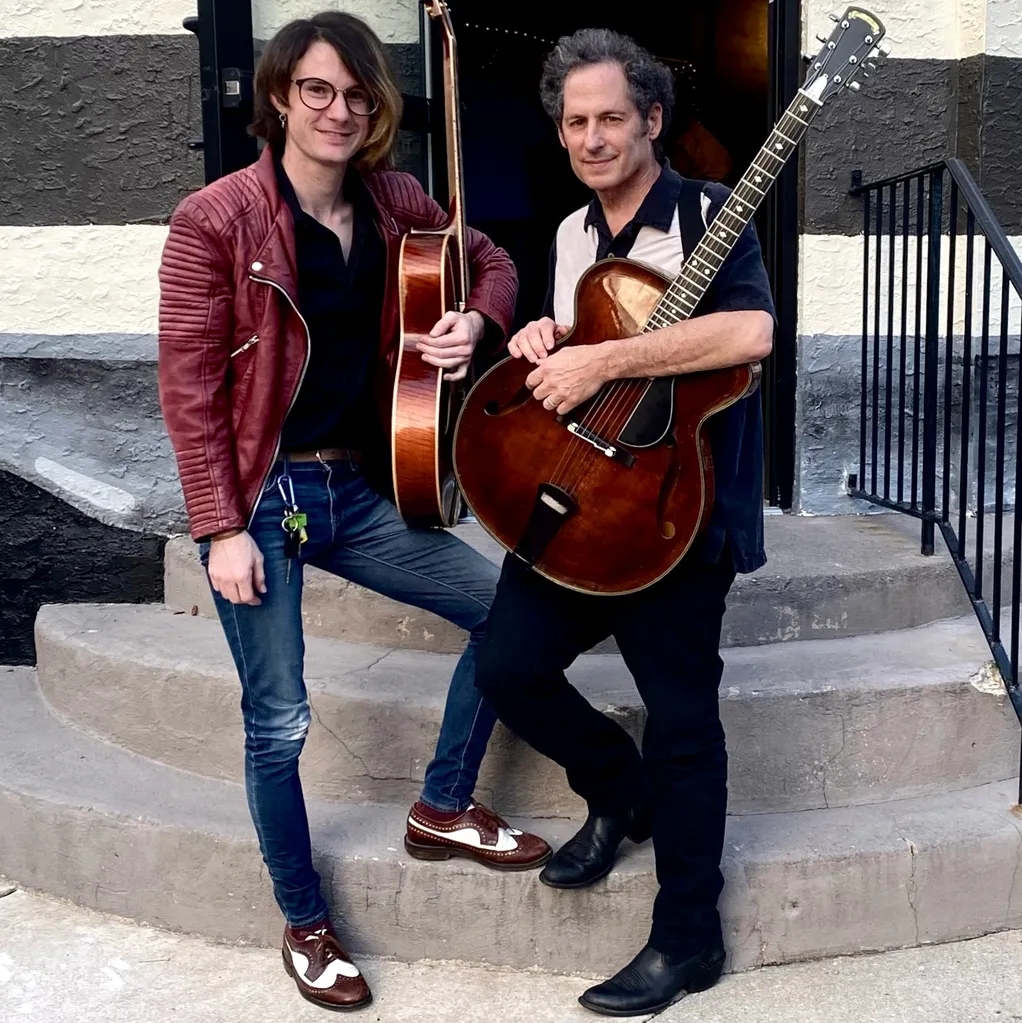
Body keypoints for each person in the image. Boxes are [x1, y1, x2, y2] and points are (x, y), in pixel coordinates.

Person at [157, 11, 550, 1013]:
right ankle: (305, 920)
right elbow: (191, 387)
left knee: (513, 614)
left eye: (359, 96)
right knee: (277, 718)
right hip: (273, 504)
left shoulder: (393, 201)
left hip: (367, 485)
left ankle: (442, 804)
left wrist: (476, 316)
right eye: (319, 91)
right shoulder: (217, 219)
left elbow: (493, 261)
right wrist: (219, 528)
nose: (340, 111)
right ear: (281, 97)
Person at [473, 28, 775, 1017]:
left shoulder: (708, 216)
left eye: (611, 117)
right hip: (576, 493)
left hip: (672, 515)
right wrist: (548, 336)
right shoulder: (566, 235)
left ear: (650, 119)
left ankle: (687, 937)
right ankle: (616, 788)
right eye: (575, 123)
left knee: (683, 725)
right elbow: (581, 344)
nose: (594, 137)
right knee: (506, 665)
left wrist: (599, 363)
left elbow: (749, 333)